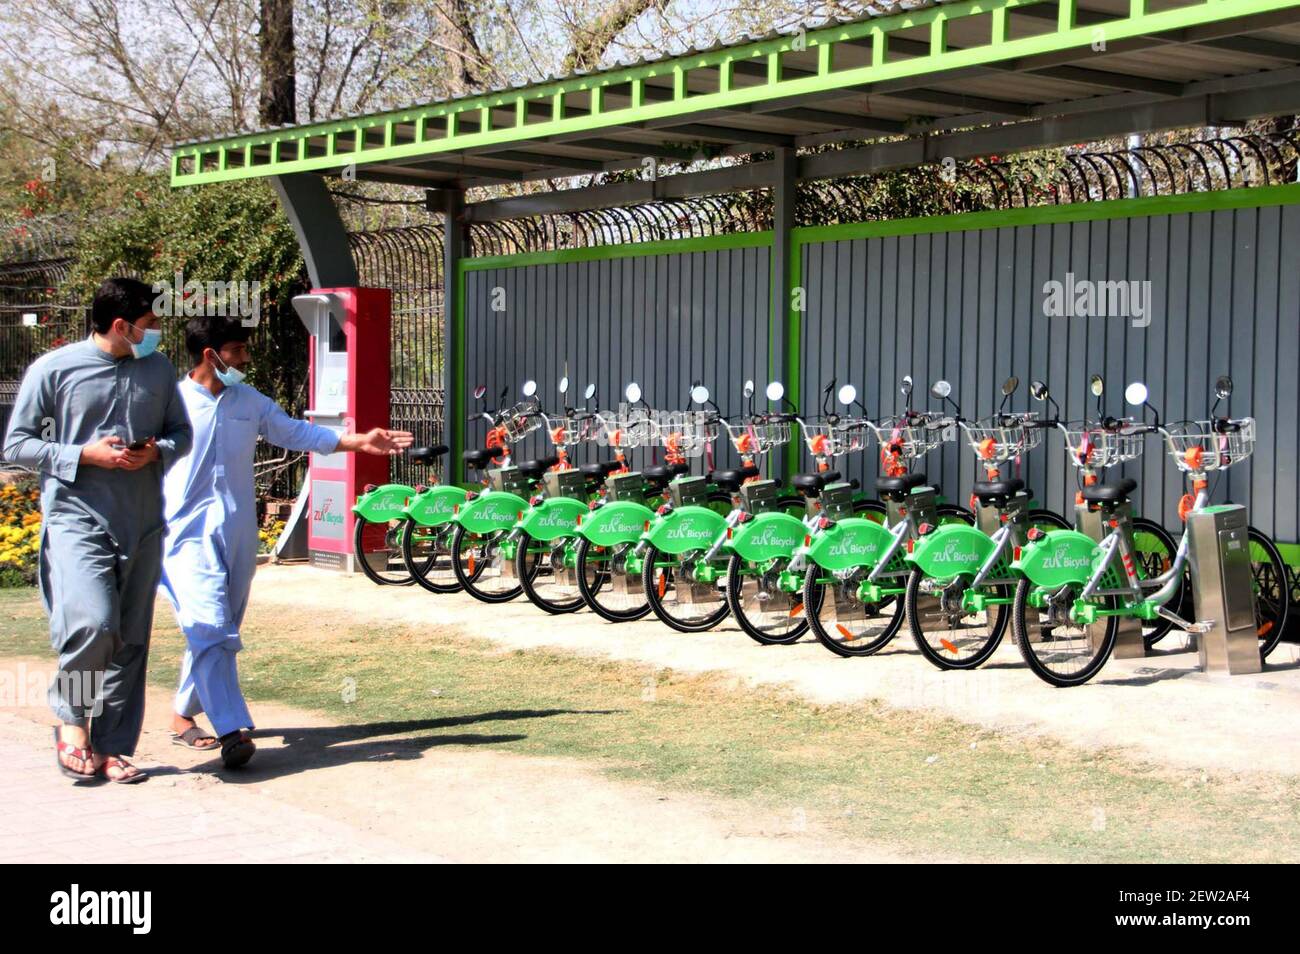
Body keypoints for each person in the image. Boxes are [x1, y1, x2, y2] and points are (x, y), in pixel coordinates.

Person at [162, 315, 412, 768]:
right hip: (183, 533)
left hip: (237, 530)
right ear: (209, 355)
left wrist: (358, 441)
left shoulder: (247, 400)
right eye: (237, 351)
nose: (244, 359)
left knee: (220, 625)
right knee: (210, 622)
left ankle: (183, 715)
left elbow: (296, 432)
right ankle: (231, 727)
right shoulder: (168, 404)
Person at [3, 277, 193, 783]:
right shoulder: (54, 369)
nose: (156, 333)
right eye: (150, 325)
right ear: (120, 325)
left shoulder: (157, 368)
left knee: (130, 639)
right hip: (77, 519)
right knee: (95, 625)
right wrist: (80, 454)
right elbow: (16, 445)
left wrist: (157, 452)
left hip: (144, 524)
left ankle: (112, 746)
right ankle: (72, 725)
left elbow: (181, 434)